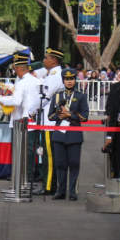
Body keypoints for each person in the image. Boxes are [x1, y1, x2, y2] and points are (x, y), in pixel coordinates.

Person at [47, 68, 89, 201]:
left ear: (75, 79)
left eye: (71, 79)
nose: (69, 81)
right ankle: (60, 191)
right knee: (60, 164)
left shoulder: (81, 96)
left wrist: (69, 114)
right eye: (67, 79)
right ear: (63, 80)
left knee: (74, 163)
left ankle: (72, 192)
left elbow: (84, 117)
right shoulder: (57, 95)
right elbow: (50, 115)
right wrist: (60, 115)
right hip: (59, 134)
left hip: (74, 134)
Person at [35, 48, 65, 194]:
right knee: (47, 156)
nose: (44, 60)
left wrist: (32, 110)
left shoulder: (55, 76)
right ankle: (48, 185)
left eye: (46, 58)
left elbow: (44, 98)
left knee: (49, 157)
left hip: (50, 122)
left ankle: (49, 186)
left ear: (53, 60)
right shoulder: (52, 74)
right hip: (48, 121)